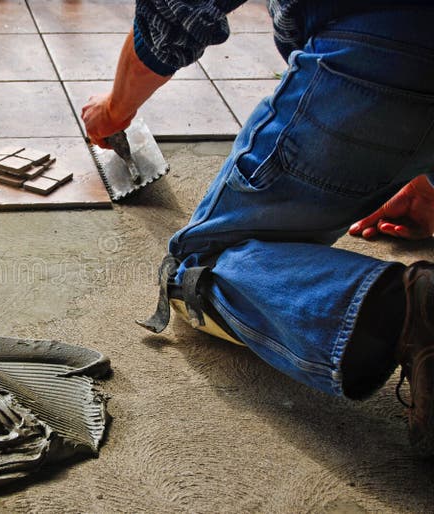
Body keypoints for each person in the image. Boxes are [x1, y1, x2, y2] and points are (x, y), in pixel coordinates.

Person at [81, 1, 434, 456]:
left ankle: (407, 307)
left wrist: (115, 109)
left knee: (195, 272)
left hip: (380, 54)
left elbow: (176, 10)